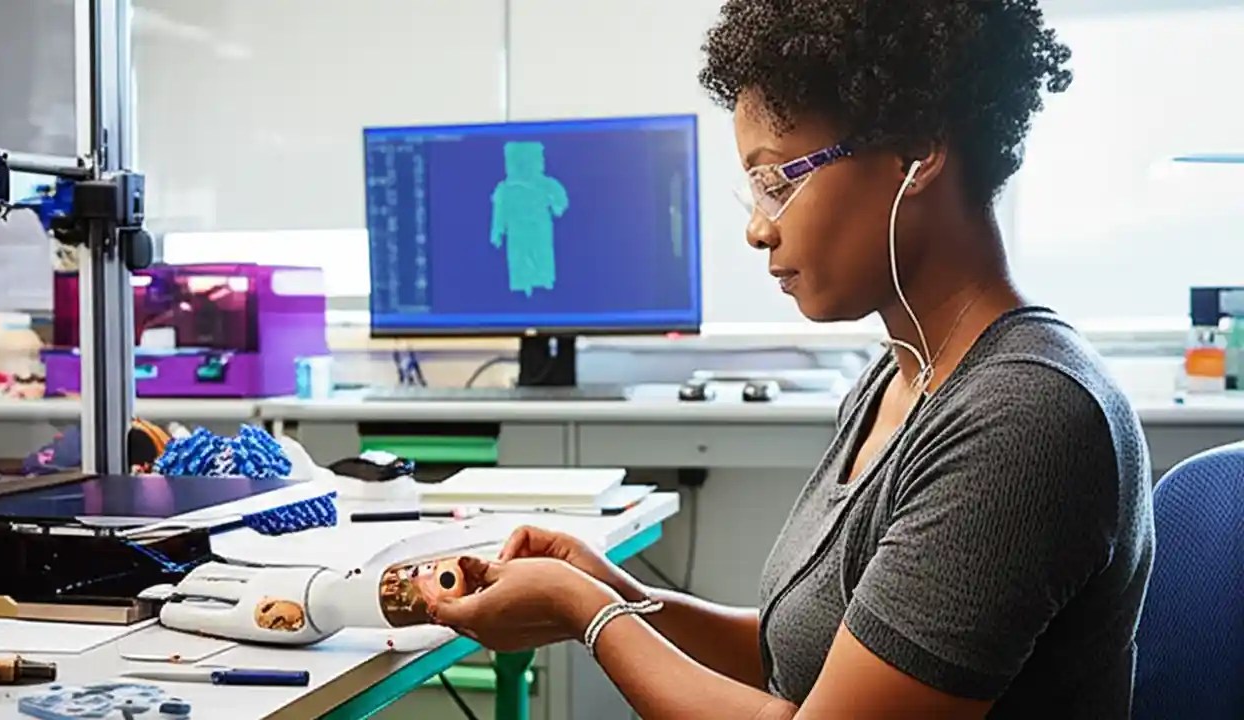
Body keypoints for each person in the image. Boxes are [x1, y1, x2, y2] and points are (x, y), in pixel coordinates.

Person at [430, 1, 1155, 717]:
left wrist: (583, 611)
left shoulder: (1024, 419)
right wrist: (613, 590)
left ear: (917, 153)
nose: (757, 227)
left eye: (778, 179)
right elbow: (803, 661)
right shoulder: (901, 379)